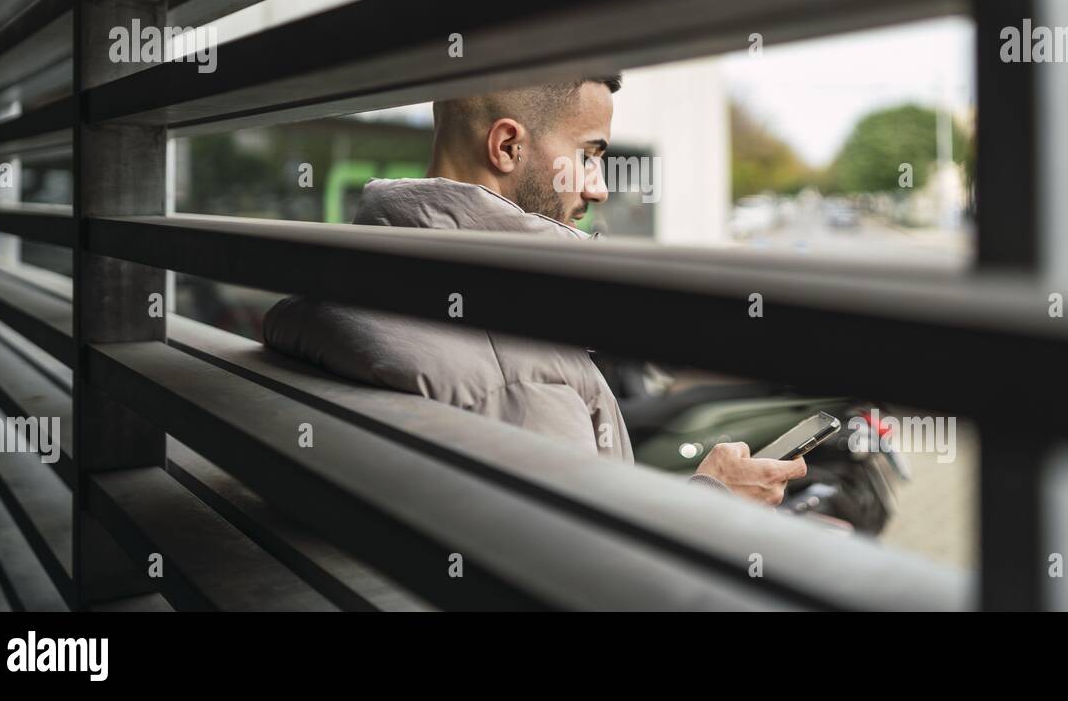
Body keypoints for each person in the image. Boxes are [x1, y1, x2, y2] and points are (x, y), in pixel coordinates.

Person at [263, 75, 805, 505]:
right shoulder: (518, 373)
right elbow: (588, 584)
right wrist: (713, 504)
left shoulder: (343, 284)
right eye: (589, 155)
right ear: (506, 147)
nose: (598, 186)